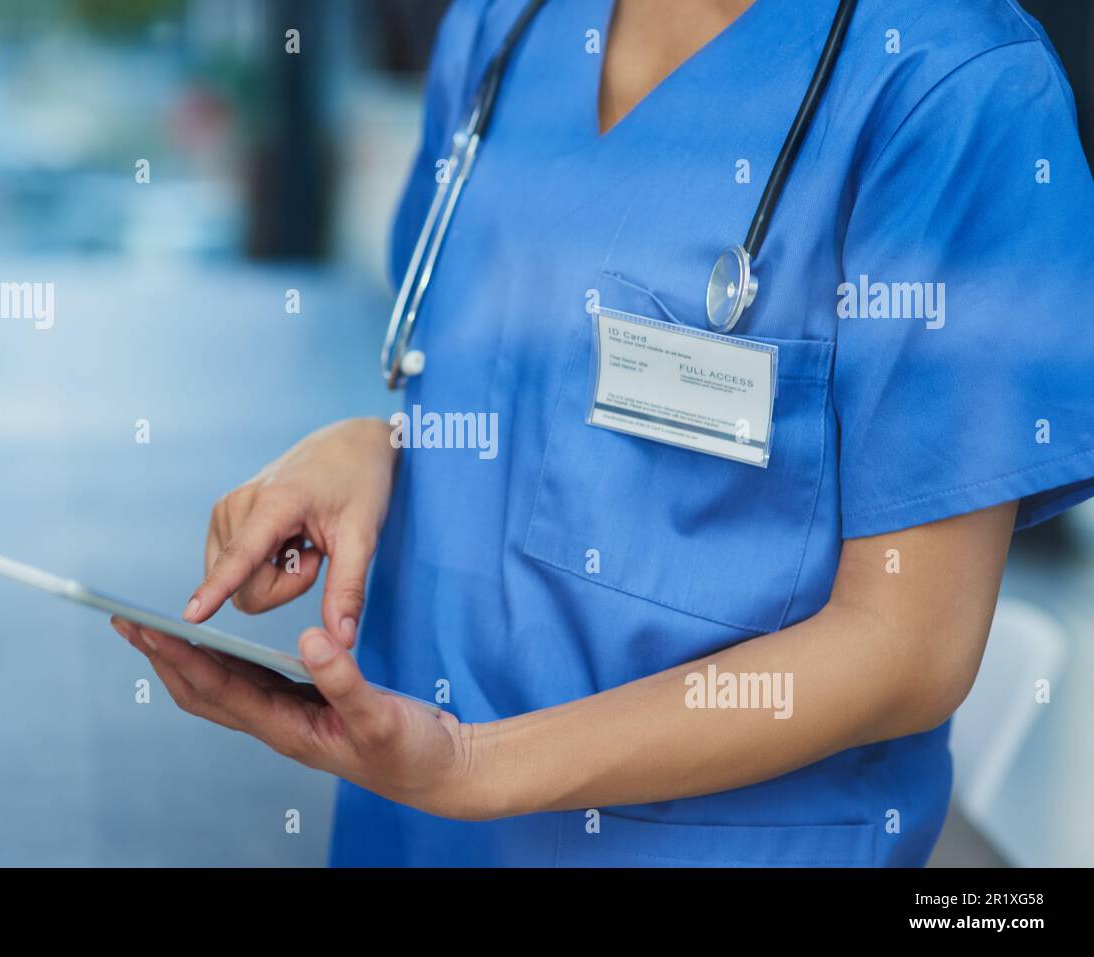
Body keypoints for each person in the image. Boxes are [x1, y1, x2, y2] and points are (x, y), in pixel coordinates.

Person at [110, 0, 1094, 866]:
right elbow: (528, 406)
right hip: (407, 834)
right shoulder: (507, 28)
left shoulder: (953, 88)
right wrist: (377, 447)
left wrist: (470, 765)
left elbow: (907, 648)